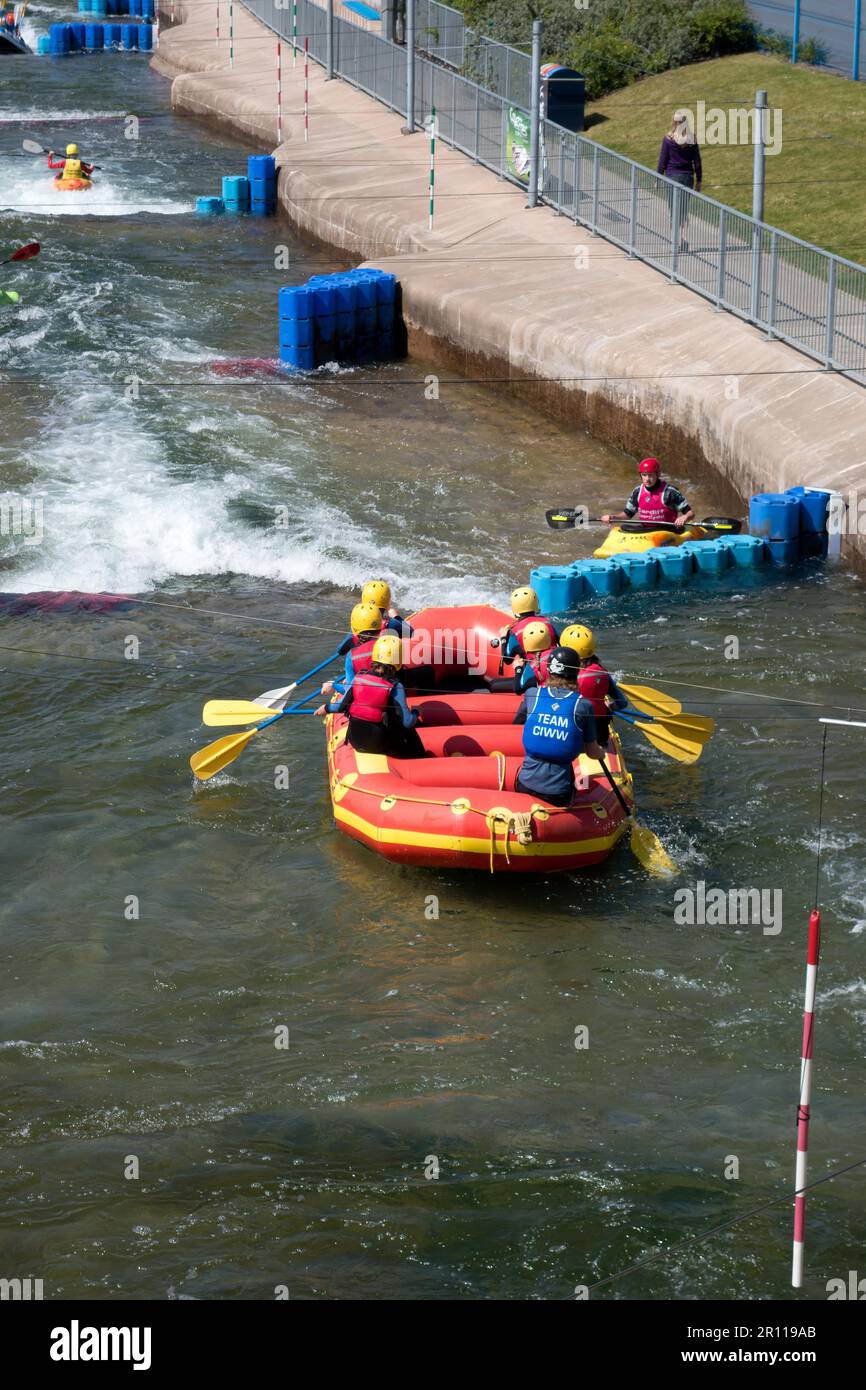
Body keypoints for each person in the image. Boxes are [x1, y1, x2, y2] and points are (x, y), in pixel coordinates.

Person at [512, 645, 603, 807]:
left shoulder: (532, 694)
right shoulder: (583, 705)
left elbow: (518, 721)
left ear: (549, 671)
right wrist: (602, 753)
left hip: (524, 785)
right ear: (576, 672)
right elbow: (592, 753)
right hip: (558, 793)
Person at [316, 632, 426, 759]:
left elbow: (340, 707)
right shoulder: (396, 686)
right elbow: (407, 722)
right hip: (378, 743)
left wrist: (325, 708)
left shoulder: (359, 677)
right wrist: (417, 712)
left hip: (355, 740)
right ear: (398, 660)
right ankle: (423, 760)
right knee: (409, 731)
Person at [559, 623, 628, 749]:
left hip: (571, 735)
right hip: (599, 736)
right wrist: (610, 707)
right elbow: (622, 703)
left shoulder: (562, 676)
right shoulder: (602, 672)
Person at [601, 457, 693, 529]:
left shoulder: (670, 492)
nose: (647, 479)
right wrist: (613, 517)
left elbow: (690, 513)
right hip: (645, 531)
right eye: (644, 475)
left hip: (667, 530)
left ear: (658, 474)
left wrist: (684, 517)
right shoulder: (637, 492)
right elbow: (627, 514)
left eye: (650, 475)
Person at [322, 602, 383, 701]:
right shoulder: (389, 645)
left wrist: (333, 685)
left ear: (353, 629)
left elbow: (350, 691)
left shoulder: (352, 656)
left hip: (366, 702)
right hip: (388, 698)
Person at [336, 580, 412, 656]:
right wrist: (396, 617)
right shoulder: (392, 623)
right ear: (387, 601)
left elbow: (340, 651)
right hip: (385, 662)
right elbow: (411, 633)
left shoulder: (357, 629)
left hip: (363, 663)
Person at [657, 110, 702, 194]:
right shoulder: (692, 139)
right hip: (688, 177)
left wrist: (658, 179)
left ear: (673, 122)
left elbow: (662, 161)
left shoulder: (668, 139)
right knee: (683, 206)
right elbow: (697, 163)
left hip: (671, 176)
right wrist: (699, 181)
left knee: (673, 206)